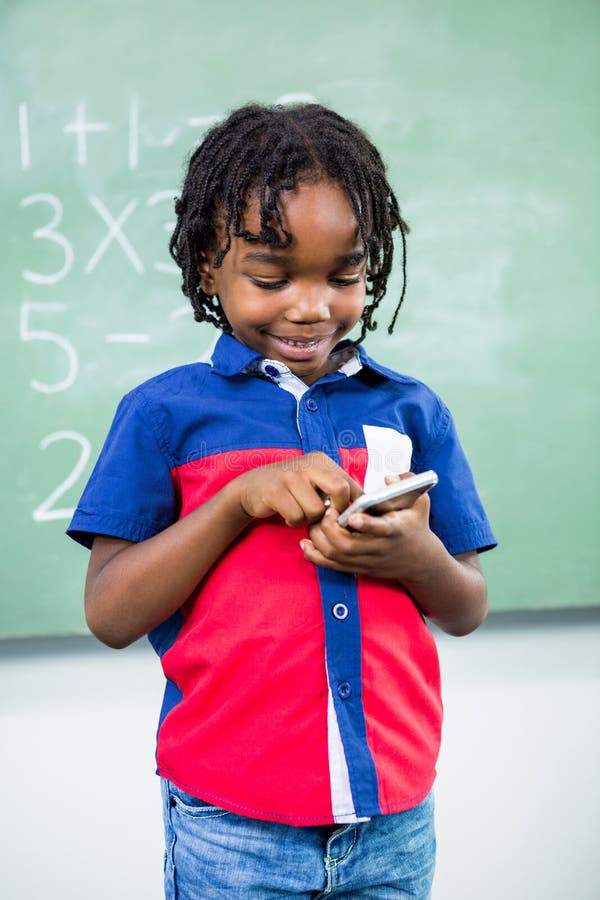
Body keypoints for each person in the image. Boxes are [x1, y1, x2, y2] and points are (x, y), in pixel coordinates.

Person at [67, 102, 496, 899]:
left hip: (393, 819)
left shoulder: (412, 411)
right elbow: (111, 614)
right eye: (270, 278)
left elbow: (465, 604)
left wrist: (415, 556)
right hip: (233, 827)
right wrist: (234, 505)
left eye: (345, 277)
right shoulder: (165, 415)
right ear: (206, 264)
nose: (311, 307)